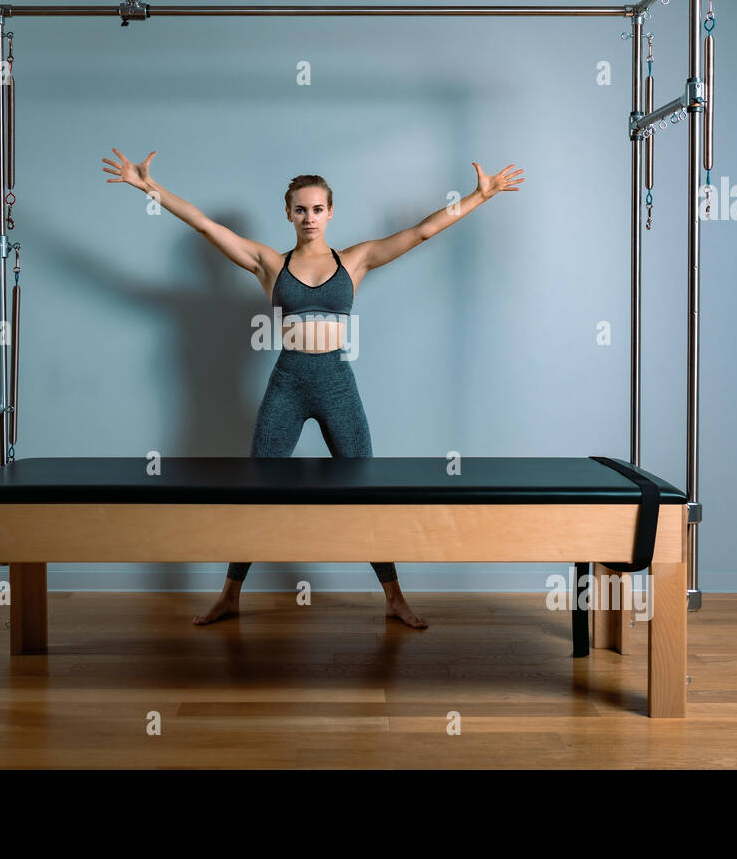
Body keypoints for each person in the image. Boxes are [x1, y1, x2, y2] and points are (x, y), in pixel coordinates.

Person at [102, 148, 524, 629]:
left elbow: (422, 231)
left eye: (317, 209)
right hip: (288, 381)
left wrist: (479, 196)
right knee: (257, 488)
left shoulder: (356, 260)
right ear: (288, 213)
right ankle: (230, 596)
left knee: (365, 488)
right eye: (300, 209)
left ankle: (394, 598)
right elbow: (202, 224)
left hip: (336, 382)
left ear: (330, 212)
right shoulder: (267, 262)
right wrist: (147, 187)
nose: (309, 217)